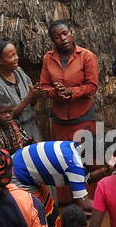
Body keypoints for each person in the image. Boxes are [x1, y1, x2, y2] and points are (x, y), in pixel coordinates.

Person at [39, 20, 100, 179]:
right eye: (57, 37)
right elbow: (44, 86)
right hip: (59, 119)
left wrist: (71, 91)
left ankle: (93, 194)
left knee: (89, 160)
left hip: (83, 117)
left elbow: (92, 86)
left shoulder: (86, 56)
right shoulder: (48, 58)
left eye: (65, 33)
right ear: (53, 40)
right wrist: (56, 93)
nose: (63, 38)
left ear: (71, 33)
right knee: (63, 161)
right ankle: (68, 195)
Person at [0, 39, 43, 145]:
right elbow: (7, 114)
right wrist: (29, 97)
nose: (17, 58)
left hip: (33, 126)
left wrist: (35, 95)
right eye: (12, 56)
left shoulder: (19, 72)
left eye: (16, 54)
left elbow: (32, 103)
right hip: (14, 133)